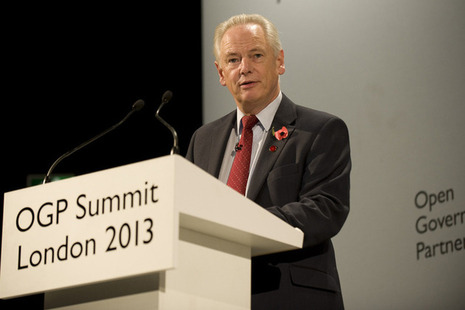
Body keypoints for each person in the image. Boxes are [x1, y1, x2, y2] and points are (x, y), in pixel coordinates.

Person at [186, 14, 351, 310]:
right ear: (221, 73)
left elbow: (326, 208)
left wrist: (244, 225)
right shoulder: (203, 140)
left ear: (279, 61)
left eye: (256, 55)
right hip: (214, 297)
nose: (245, 68)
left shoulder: (320, 129)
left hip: (289, 296)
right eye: (233, 60)